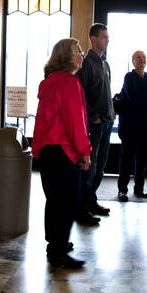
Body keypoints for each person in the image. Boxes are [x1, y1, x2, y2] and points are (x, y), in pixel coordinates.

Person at [29, 38, 91, 270]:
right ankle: (58, 252)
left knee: (54, 200)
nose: (81, 54)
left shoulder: (50, 82)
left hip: (47, 151)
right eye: (78, 51)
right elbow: (75, 121)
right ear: (66, 57)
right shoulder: (69, 83)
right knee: (67, 201)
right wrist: (85, 151)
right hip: (63, 150)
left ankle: (54, 243)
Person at [76, 22, 114, 221]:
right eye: (104, 37)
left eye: (108, 37)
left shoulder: (105, 63)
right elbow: (81, 96)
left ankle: (91, 201)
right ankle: (82, 209)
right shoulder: (86, 64)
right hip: (95, 124)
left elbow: (106, 92)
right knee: (89, 167)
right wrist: (94, 116)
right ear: (93, 38)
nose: (107, 40)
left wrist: (112, 113)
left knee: (100, 166)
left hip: (108, 122)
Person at [114, 49, 147, 200]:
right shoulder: (129, 77)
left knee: (142, 161)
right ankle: (122, 190)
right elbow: (133, 97)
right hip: (130, 128)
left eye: (143, 58)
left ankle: (139, 188)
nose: (141, 60)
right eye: (138, 58)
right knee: (126, 160)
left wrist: (145, 96)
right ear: (133, 61)